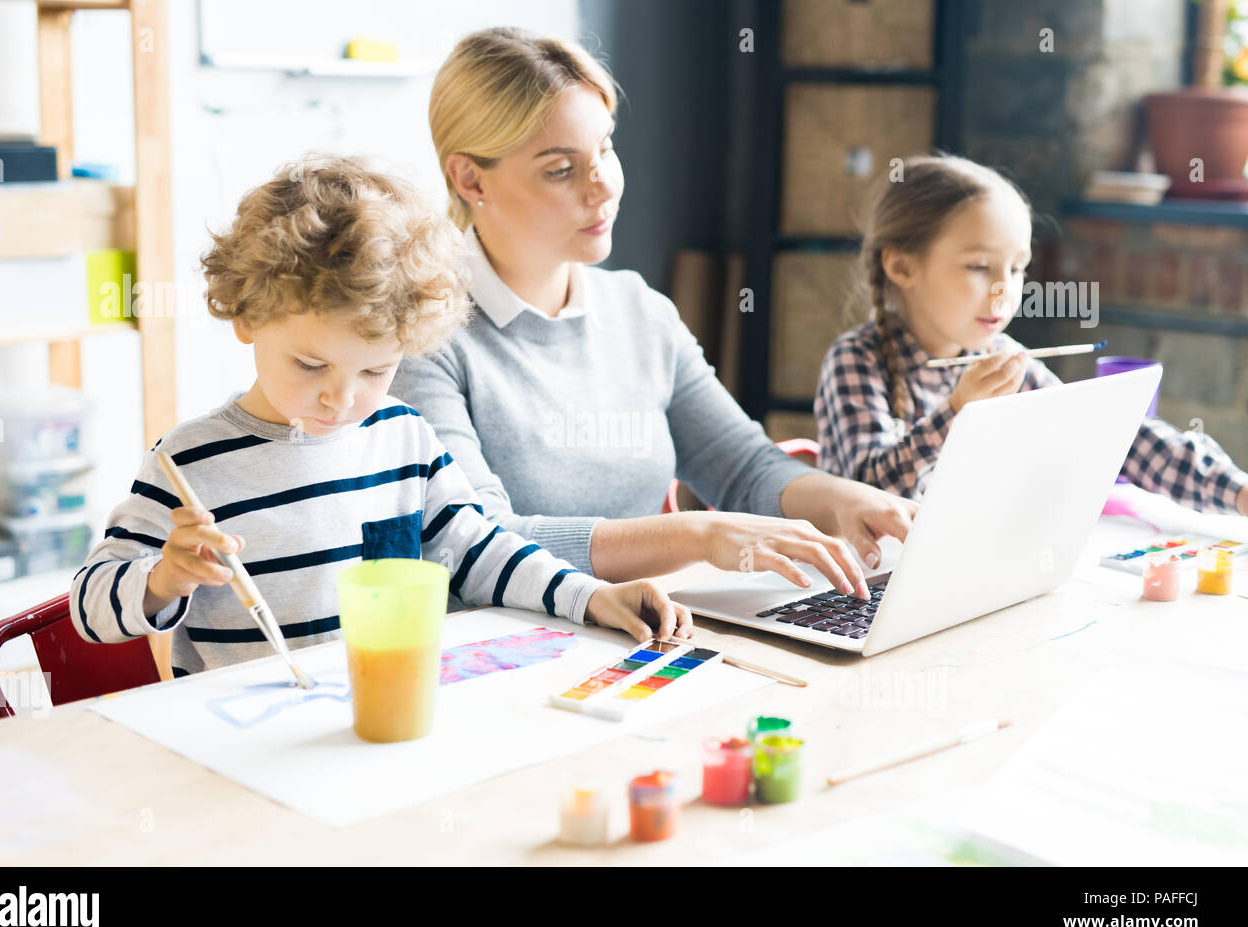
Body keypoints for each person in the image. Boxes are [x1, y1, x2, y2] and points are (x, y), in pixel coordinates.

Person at [69, 155, 692, 677]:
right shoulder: (188, 464)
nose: (340, 399)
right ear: (247, 317)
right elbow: (87, 610)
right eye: (311, 366)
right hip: (250, 743)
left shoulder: (402, 438)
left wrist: (592, 597)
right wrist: (161, 579)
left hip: (380, 719)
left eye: (374, 371)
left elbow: (479, 554)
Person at [392, 27, 916, 602]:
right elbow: (482, 543)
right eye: (560, 169)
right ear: (470, 178)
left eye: (606, 149)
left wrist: (844, 498)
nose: (604, 187)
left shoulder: (639, 311)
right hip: (510, 656)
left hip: (647, 635)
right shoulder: (423, 338)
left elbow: (742, 467)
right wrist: (700, 534)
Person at [815, 153, 1248, 515]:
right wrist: (956, 412)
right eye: (979, 266)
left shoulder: (1003, 358)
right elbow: (867, 496)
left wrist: (1237, 492)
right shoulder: (856, 359)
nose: (1005, 289)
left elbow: (1112, 437)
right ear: (902, 267)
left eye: (1018, 268)